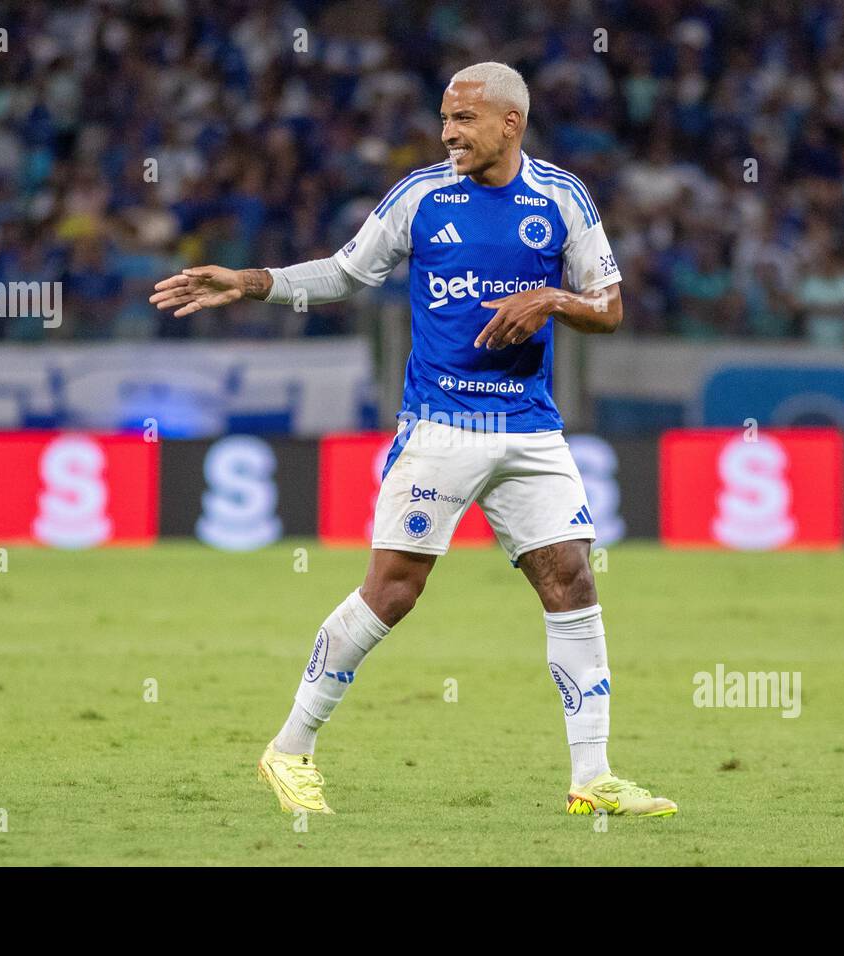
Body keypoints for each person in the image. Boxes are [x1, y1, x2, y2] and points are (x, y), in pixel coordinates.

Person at [151, 62, 677, 818]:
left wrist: (552, 299)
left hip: (530, 429)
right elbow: (343, 273)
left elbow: (609, 306)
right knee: (394, 591)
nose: (447, 132)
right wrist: (253, 280)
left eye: (464, 118)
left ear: (510, 124)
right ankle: (290, 749)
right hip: (440, 427)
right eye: (444, 117)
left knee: (573, 582)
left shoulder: (561, 197)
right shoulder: (421, 197)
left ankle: (591, 778)